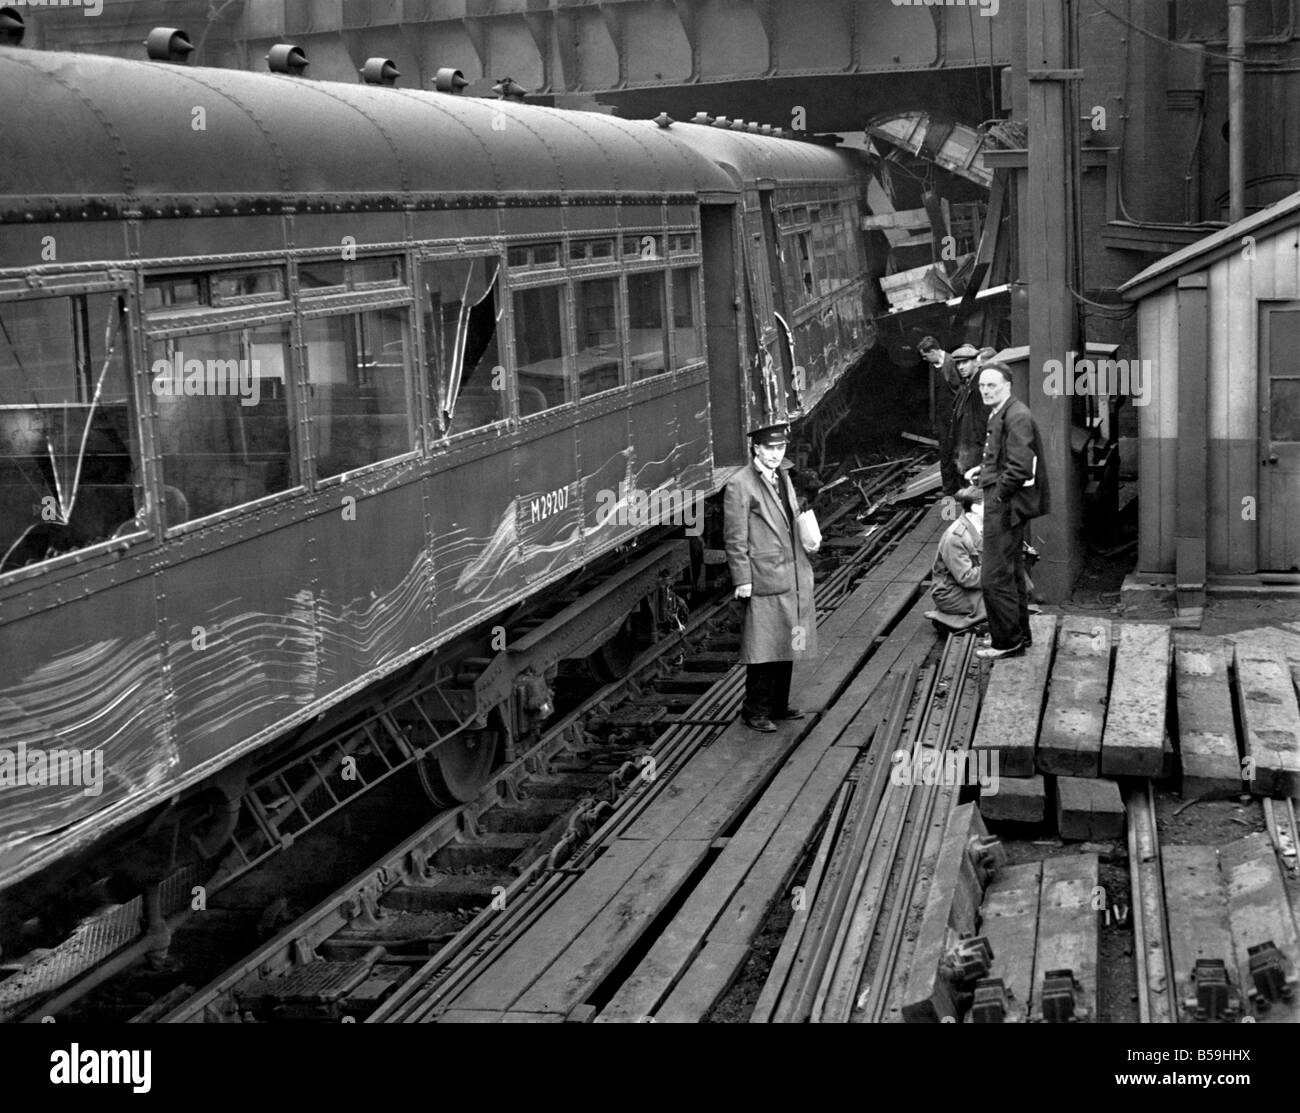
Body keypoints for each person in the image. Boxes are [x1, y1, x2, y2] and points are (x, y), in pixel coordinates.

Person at [723, 421, 819, 732]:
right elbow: (735, 537)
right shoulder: (740, 484)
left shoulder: (782, 475)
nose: (776, 454)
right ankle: (754, 710)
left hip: (790, 570)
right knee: (763, 647)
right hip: (765, 575)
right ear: (756, 448)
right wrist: (742, 579)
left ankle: (778, 705)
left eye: (780, 448)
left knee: (788, 640)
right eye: (770, 448)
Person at [965, 363, 1050, 660]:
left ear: (1007, 385)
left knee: (993, 577)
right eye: (982, 386)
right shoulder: (1004, 411)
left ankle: (1006, 643)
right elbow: (1005, 458)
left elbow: (1020, 467)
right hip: (1004, 502)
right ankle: (1018, 635)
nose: (986, 391)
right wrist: (984, 471)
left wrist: (998, 495)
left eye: (992, 385)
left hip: (1004, 505)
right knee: (1011, 573)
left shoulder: (1017, 416)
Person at [917, 337, 968, 497]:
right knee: (945, 453)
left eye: (925, 355)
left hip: (957, 417)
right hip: (943, 419)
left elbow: (963, 389)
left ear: (933, 351)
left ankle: (963, 488)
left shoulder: (953, 362)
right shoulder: (934, 366)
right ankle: (949, 489)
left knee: (959, 452)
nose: (924, 359)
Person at [931, 485, 986, 623]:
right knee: (1001, 604)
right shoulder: (956, 537)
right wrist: (997, 568)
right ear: (975, 508)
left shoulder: (981, 526)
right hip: (951, 593)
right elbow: (966, 578)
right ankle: (945, 620)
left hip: (970, 585)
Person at [949, 346, 994, 483]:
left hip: (976, 451)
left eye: (965, 362)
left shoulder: (980, 387)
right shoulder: (967, 386)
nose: (961, 367)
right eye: (958, 363)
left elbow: (984, 422)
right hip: (967, 450)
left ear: (976, 362)